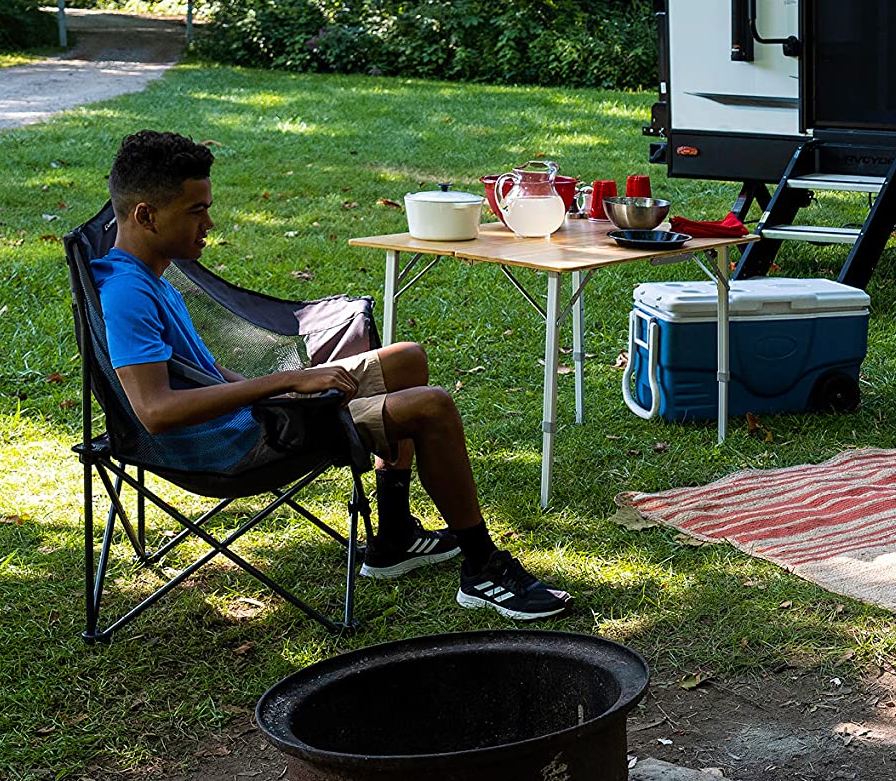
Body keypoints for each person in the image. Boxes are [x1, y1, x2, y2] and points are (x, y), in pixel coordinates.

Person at [91, 128, 576, 620]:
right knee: (433, 406)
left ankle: (394, 538)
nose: (209, 223)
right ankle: (482, 567)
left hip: (254, 413)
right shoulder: (129, 294)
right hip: (232, 445)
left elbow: (199, 369)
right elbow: (154, 413)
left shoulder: (149, 273)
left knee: (405, 357)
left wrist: (283, 389)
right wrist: (283, 385)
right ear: (146, 215)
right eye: (197, 211)